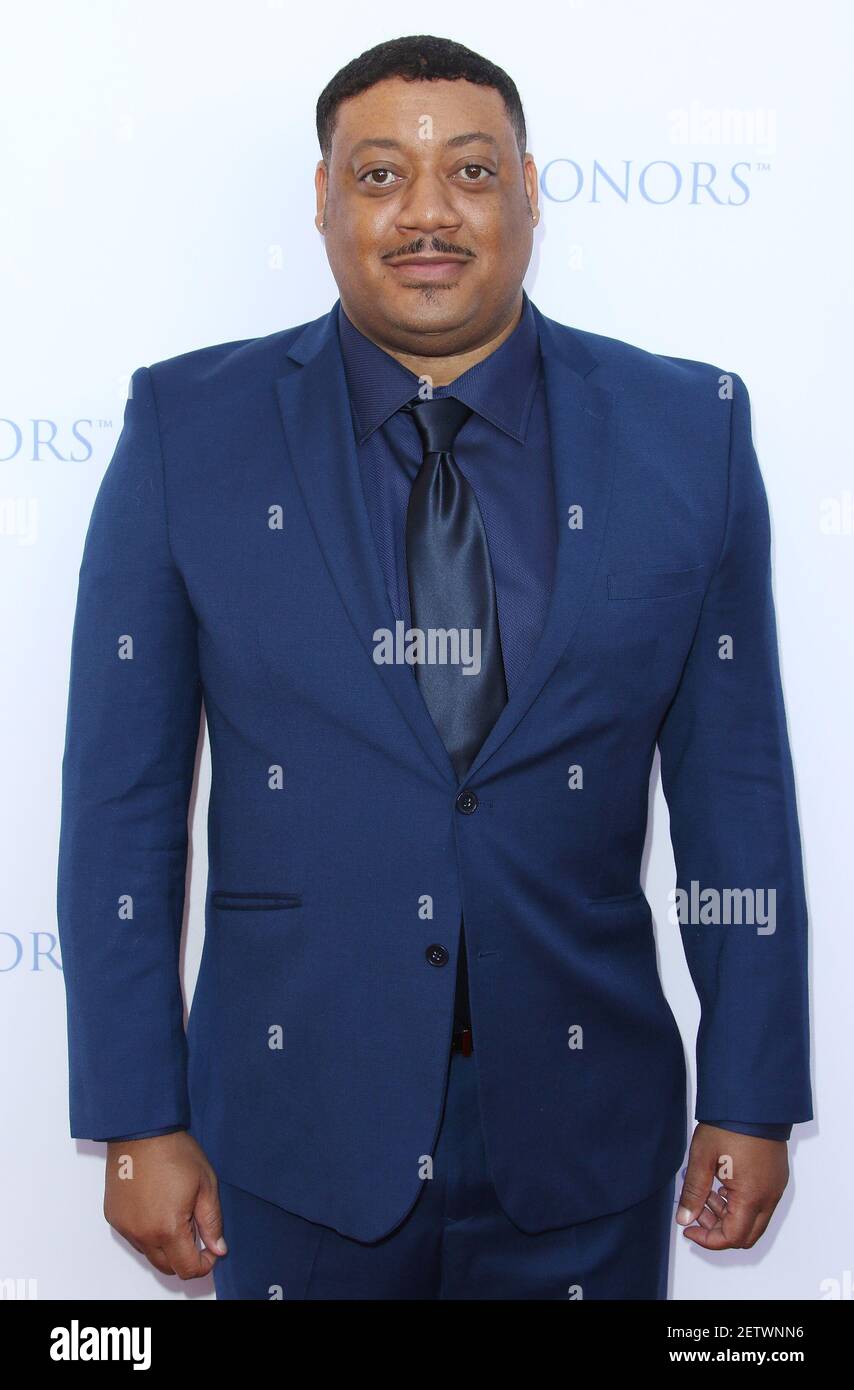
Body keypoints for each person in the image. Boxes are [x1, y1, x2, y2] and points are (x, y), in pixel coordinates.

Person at [57, 34, 812, 1300]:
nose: (425, 211)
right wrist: (135, 1113)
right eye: (376, 175)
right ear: (319, 198)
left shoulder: (690, 432)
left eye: (467, 170)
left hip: (585, 1132)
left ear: (528, 188)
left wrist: (751, 1093)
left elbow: (736, 798)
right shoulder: (190, 430)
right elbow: (120, 805)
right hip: (291, 1137)